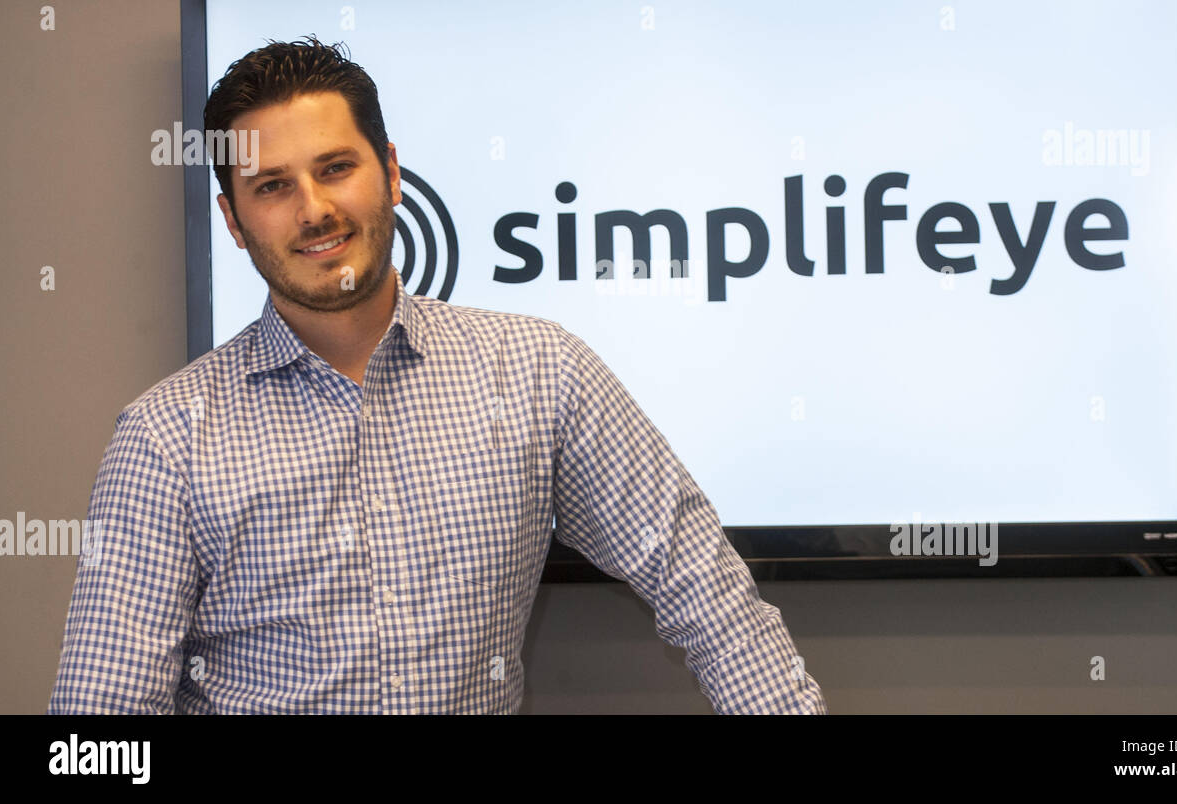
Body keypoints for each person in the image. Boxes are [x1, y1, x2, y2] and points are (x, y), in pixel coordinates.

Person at [48, 36, 826, 714]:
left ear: (389, 172)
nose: (314, 210)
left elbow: (708, 594)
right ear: (234, 220)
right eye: (273, 186)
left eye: (335, 167)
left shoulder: (537, 372)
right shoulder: (165, 439)